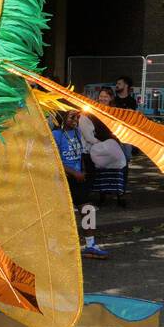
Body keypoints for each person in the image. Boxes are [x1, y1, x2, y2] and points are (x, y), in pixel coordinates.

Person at [53, 109, 108, 259]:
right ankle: (58, 248)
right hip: (63, 179)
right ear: (63, 118)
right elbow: (54, 160)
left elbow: (80, 153)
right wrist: (74, 173)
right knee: (61, 214)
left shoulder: (77, 132)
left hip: (77, 178)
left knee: (88, 209)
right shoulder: (56, 135)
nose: (75, 120)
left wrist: (82, 169)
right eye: (72, 117)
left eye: (77, 117)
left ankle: (90, 245)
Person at [88, 121, 127, 206]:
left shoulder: (96, 123)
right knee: (117, 178)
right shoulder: (113, 137)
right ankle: (120, 197)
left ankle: (103, 198)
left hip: (103, 151)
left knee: (103, 177)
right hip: (115, 159)